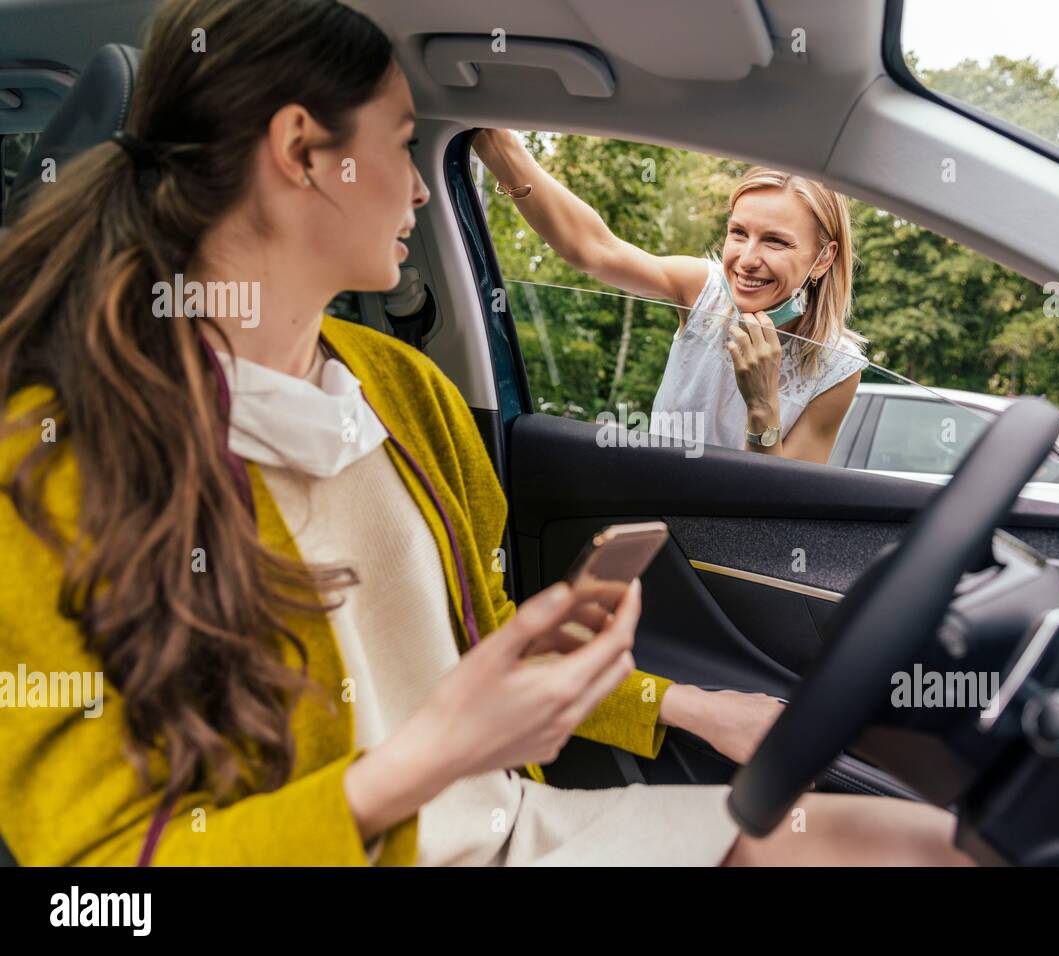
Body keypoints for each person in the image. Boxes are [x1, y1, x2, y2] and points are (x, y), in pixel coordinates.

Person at [0, 0, 969, 866]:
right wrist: (427, 758)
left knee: (925, 844)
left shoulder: (402, 387)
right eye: (404, 143)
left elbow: (479, 638)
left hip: (506, 827)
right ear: (305, 153)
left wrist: (682, 704)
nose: (421, 191)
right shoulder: (46, 461)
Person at [472, 130, 870, 463]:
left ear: (823, 258)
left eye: (776, 241)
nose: (747, 260)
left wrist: (763, 405)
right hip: (657, 503)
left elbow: (781, 506)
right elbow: (594, 249)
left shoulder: (838, 366)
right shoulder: (704, 290)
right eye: (738, 233)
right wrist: (496, 144)